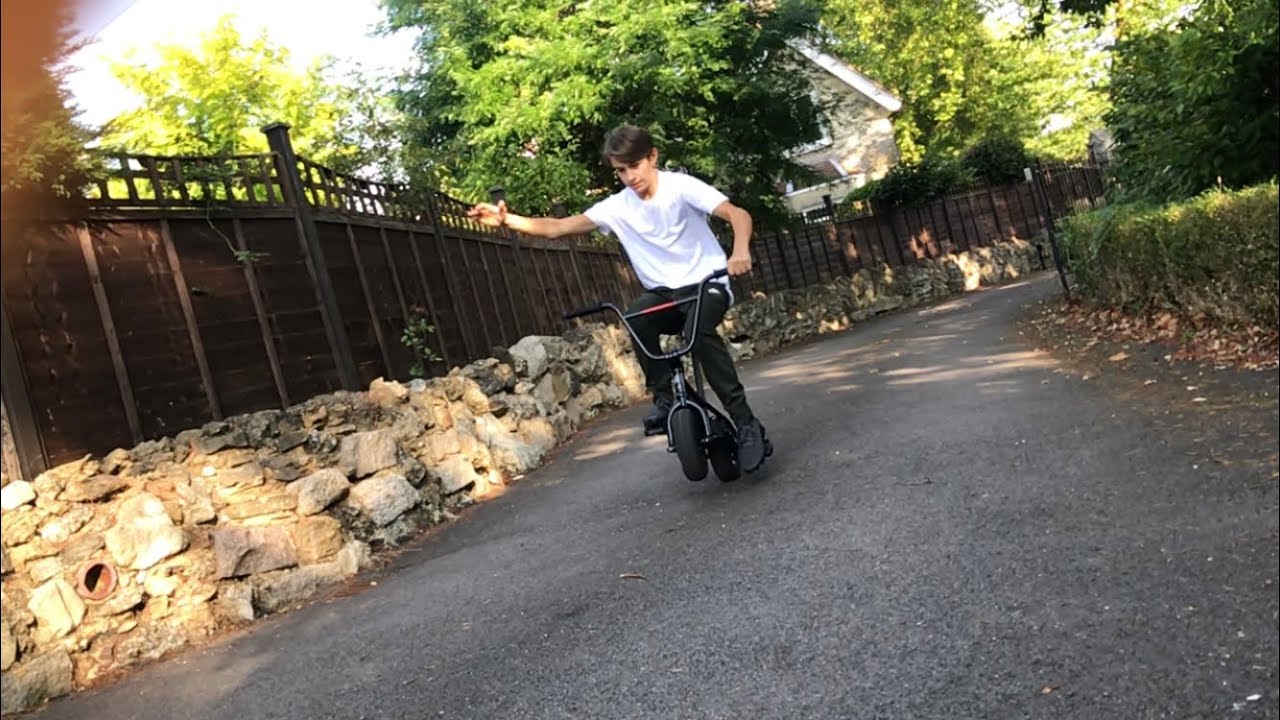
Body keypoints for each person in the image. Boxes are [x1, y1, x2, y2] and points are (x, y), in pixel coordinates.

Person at [466, 124, 771, 472]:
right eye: (620, 171)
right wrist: (507, 220)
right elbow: (558, 227)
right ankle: (666, 398)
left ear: (652, 157)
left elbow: (737, 214)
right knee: (636, 318)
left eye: (635, 166)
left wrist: (739, 251)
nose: (629, 177)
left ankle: (745, 422)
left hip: (707, 284)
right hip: (664, 293)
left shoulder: (680, 187)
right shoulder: (617, 207)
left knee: (698, 334)